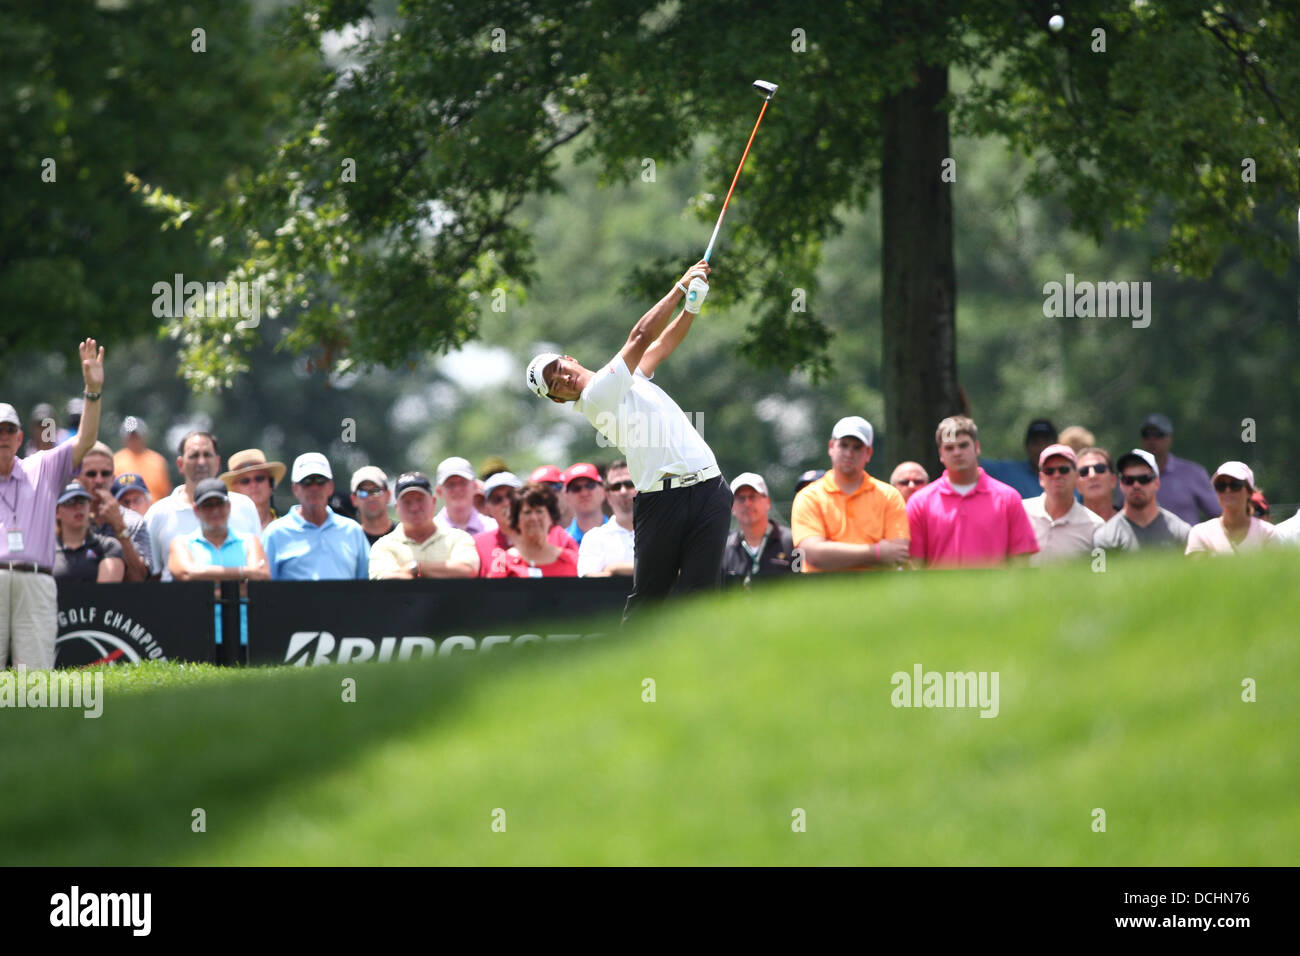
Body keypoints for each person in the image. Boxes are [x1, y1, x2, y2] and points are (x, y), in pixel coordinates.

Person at [525, 258, 731, 615]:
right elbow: (641, 336)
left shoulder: (622, 377)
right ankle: (634, 670)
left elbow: (660, 347)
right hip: (661, 500)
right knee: (650, 600)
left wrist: (691, 307)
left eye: (559, 368)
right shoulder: (595, 396)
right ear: (559, 399)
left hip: (709, 487)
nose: (564, 378)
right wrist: (681, 287)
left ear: (570, 359)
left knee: (702, 597)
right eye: (555, 385)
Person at [1, 338, 105, 669]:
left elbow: (86, 440)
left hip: (36, 578)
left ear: (20, 438)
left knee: (35, 678)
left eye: (8, 431)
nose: (2, 437)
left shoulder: (42, 466)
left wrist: (92, 390)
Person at [906, 416, 1040, 567]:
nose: (957, 452)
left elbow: (1021, 561)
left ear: (977, 447)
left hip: (996, 591)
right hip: (939, 591)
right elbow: (915, 567)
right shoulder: (919, 503)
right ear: (940, 454)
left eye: (963, 445)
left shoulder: (1008, 498)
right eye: (949, 448)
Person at [792, 416, 909, 572]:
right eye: (844, 445)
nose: (849, 453)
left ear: (868, 453)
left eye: (857, 447)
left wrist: (831, 553)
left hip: (876, 594)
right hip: (823, 594)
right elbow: (814, 555)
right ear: (831, 447)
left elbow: (897, 554)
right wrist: (877, 552)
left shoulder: (889, 495)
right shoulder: (808, 497)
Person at [145, 431, 262, 581]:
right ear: (180, 464)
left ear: (218, 462)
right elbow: (152, 575)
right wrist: (242, 573)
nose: (201, 462)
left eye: (207, 455)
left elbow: (260, 572)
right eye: (194, 456)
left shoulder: (244, 506)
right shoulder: (158, 513)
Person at [261, 452, 370, 580]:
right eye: (306, 481)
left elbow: (366, 586)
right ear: (295, 489)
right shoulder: (275, 533)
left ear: (330, 487)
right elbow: (266, 588)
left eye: (320, 481)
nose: (314, 487)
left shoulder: (353, 531)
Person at [369, 472, 479, 579]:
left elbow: (467, 571)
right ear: (397, 507)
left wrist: (417, 568)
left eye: (420, 500)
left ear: (434, 501)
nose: (415, 508)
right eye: (407, 502)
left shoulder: (458, 538)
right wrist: (443, 572)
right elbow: (385, 581)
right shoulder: (383, 546)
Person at [75, 440, 153, 581]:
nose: (99, 480)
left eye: (105, 474)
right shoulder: (68, 517)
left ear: (113, 479)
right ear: (78, 478)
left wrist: (119, 527)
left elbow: (140, 578)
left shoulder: (133, 522)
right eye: (91, 474)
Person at [474, 472, 576, 577]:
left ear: (550, 517)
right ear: (516, 520)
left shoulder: (572, 560)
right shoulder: (505, 564)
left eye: (539, 511)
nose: (534, 518)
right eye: (527, 512)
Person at [1092, 449, 1192, 555]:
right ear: (1121, 484)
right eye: (1128, 480)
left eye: (1144, 479)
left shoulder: (1181, 533)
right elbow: (1099, 572)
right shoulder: (1104, 536)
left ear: (1157, 483)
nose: (1136, 485)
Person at [1021, 444, 1103, 564]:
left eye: (1064, 470)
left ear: (1076, 476)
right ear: (1041, 478)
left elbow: (1100, 573)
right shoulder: (1021, 512)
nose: (1056, 475)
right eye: (1049, 471)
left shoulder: (1096, 526)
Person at [1139, 413, 1220, 524]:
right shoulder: (1130, 479)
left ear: (1169, 438)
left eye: (1158, 434)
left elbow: (1218, 514)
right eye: (1146, 435)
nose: (1152, 439)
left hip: (1187, 541)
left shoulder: (1193, 473)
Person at [1185, 462, 1277, 556]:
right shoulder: (1200, 533)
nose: (1227, 490)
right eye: (1221, 486)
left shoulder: (1267, 533)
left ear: (1249, 492)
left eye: (1235, 485)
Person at [722, 471, 794, 583]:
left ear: (767, 502)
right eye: (741, 498)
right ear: (732, 507)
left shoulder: (792, 542)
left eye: (752, 497)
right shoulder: (725, 549)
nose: (747, 503)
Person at [53, 483, 124, 583]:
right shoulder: (46, 550)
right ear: (57, 512)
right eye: (69, 502)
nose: (78, 507)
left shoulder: (107, 546)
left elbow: (106, 594)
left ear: (89, 506)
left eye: (82, 501)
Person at [578, 460, 638, 577]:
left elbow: (675, 572)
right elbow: (588, 579)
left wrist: (613, 569)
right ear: (608, 496)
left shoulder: (659, 531)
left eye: (629, 484)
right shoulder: (593, 537)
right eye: (616, 486)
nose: (623, 491)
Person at [983, 419, 1058, 498]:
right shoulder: (1008, 472)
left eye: (1045, 442)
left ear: (1056, 445)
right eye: (1035, 442)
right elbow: (975, 465)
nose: (1040, 449)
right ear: (1026, 446)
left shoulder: (1067, 476)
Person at [219, 448, 286, 530]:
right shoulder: (224, 532)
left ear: (271, 484)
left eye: (259, 478)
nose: (253, 485)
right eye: (245, 481)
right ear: (233, 489)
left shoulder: (288, 529)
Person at [434, 456, 498, 535]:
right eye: (450, 484)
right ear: (439, 491)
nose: (457, 489)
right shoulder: (431, 532)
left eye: (463, 483)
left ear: (475, 486)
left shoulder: (493, 529)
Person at [114, 415, 172, 502]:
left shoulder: (158, 461)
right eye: (130, 436)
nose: (133, 439)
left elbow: (165, 492)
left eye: (136, 436)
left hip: (154, 510)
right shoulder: (116, 461)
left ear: (144, 436)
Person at [348, 465, 396, 544]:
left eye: (376, 491)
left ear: (388, 495)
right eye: (362, 493)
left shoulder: (405, 535)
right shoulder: (349, 542)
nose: (370, 498)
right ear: (354, 499)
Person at [564, 462, 609, 544]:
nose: (584, 493)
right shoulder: (561, 543)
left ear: (603, 490)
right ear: (566, 497)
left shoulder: (625, 534)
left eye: (590, 486)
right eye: (576, 488)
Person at [1076, 446, 1118, 522]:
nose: (1092, 475)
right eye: (1084, 471)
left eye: (1100, 468)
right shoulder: (1067, 527)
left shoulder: (1133, 523)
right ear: (1077, 486)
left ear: (1113, 480)